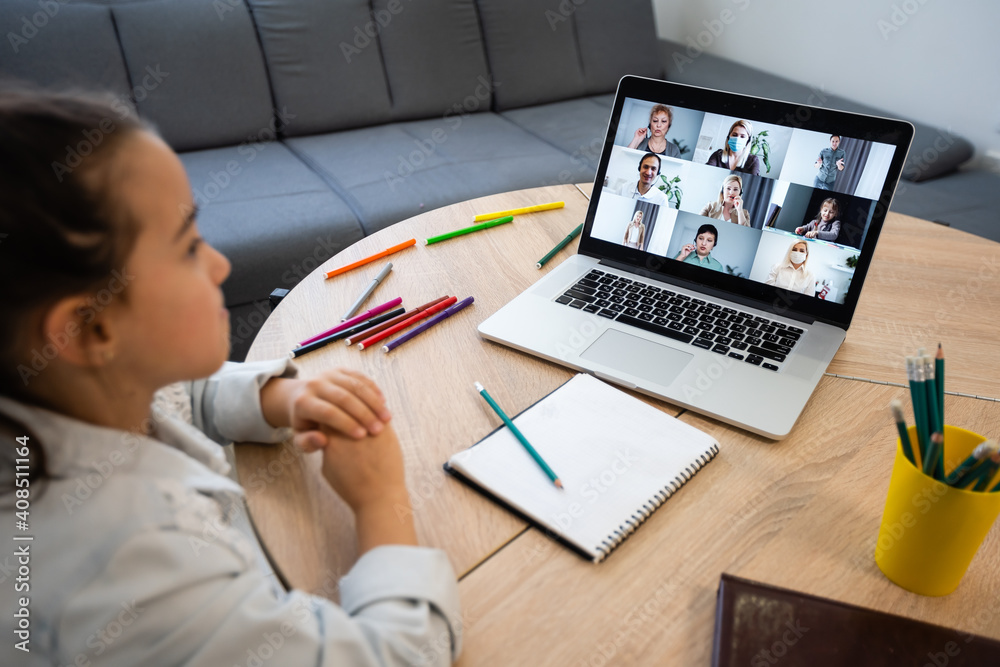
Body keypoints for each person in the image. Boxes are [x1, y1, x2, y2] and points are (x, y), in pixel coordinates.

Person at [0, 89, 461, 665]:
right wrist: (381, 502)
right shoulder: (138, 569)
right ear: (85, 331)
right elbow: (398, 657)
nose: (221, 265)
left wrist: (281, 396)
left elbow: (170, 394)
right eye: (189, 246)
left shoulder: (52, 394)